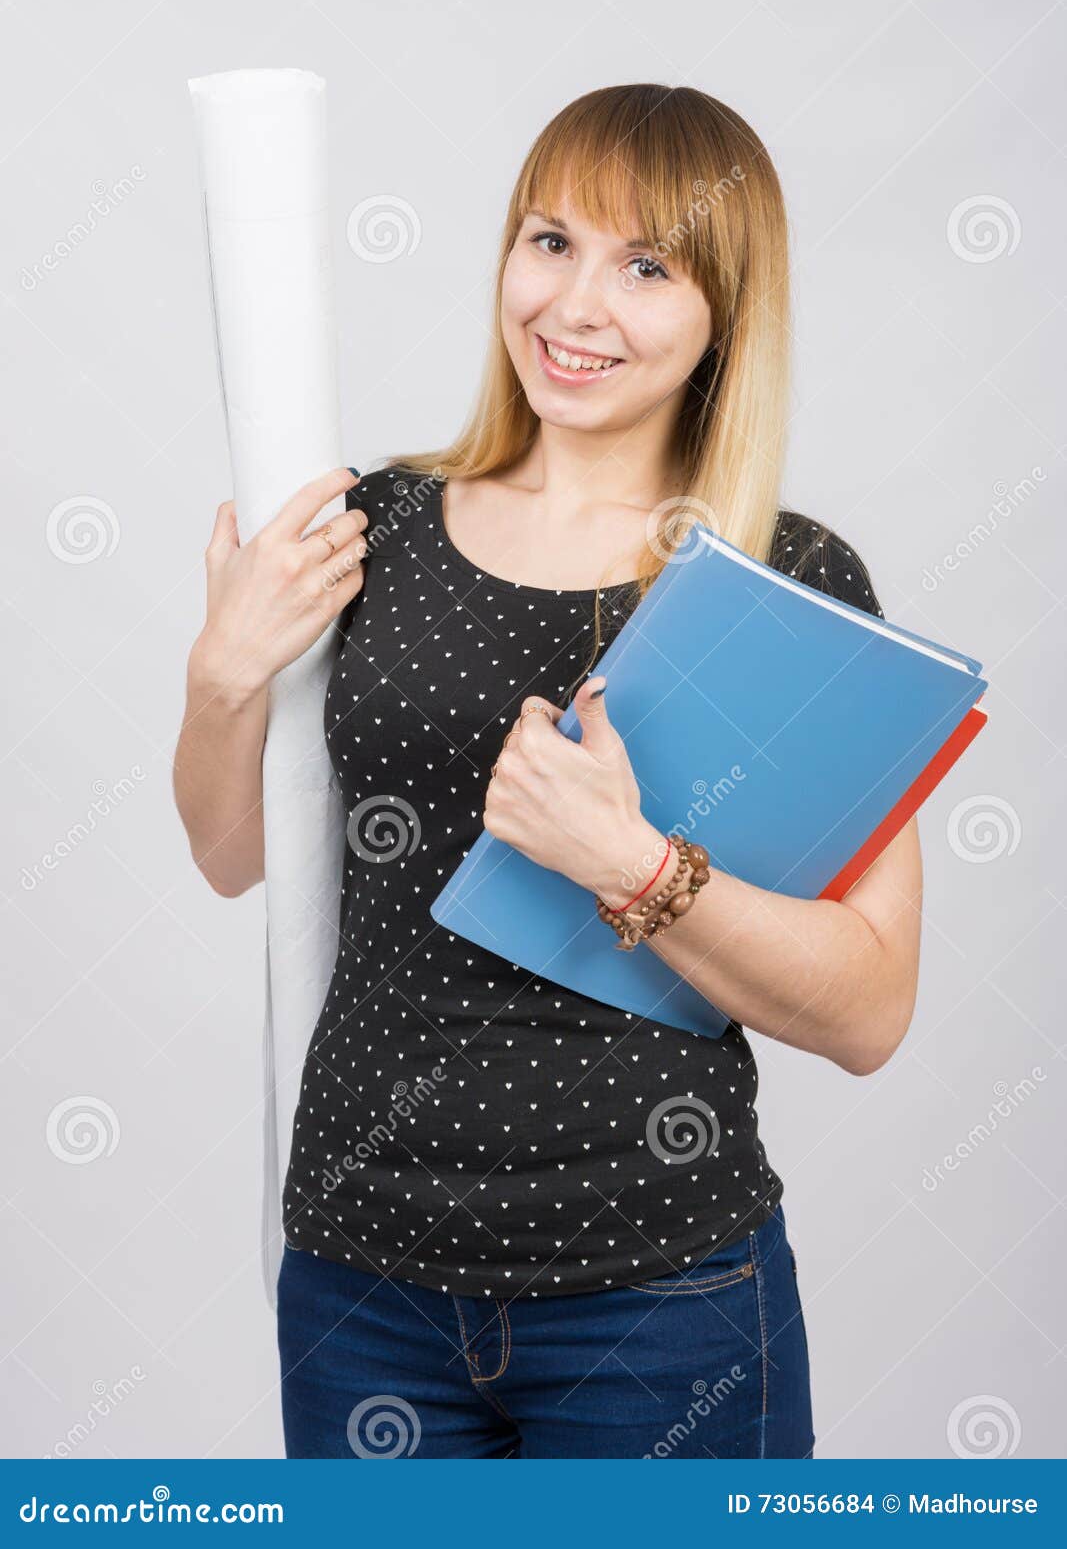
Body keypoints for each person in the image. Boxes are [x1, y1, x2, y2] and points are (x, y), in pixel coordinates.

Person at [173, 84, 922, 1459]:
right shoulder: (371, 526)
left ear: (721, 317)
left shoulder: (785, 589)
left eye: (646, 266)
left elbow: (870, 1010)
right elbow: (232, 854)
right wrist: (223, 671)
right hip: (363, 1281)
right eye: (549, 240)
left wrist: (635, 868)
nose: (575, 305)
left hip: (661, 1297)